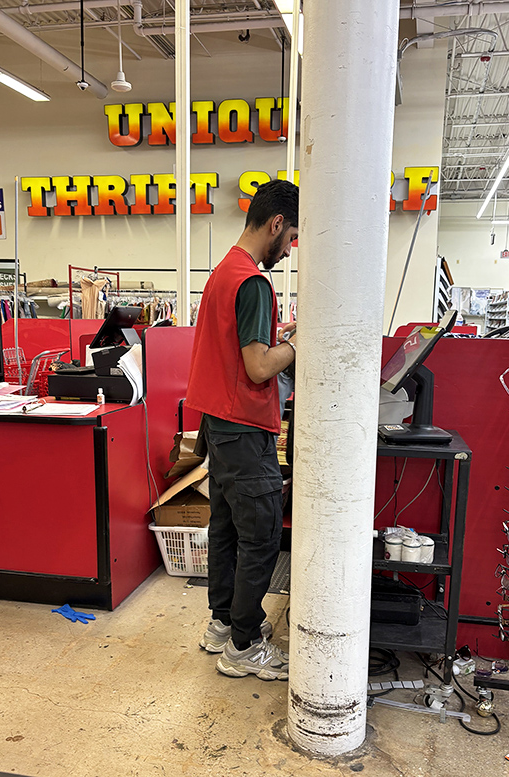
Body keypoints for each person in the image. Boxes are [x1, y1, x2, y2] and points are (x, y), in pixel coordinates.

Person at [185, 179, 299, 681]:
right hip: (244, 425)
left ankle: (223, 624)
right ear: (276, 223)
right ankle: (244, 645)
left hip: (217, 424)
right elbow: (257, 368)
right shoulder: (253, 281)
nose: (289, 247)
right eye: (291, 236)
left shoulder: (222, 272)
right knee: (261, 536)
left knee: (227, 530)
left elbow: (236, 350)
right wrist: (300, 345)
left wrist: (280, 337)